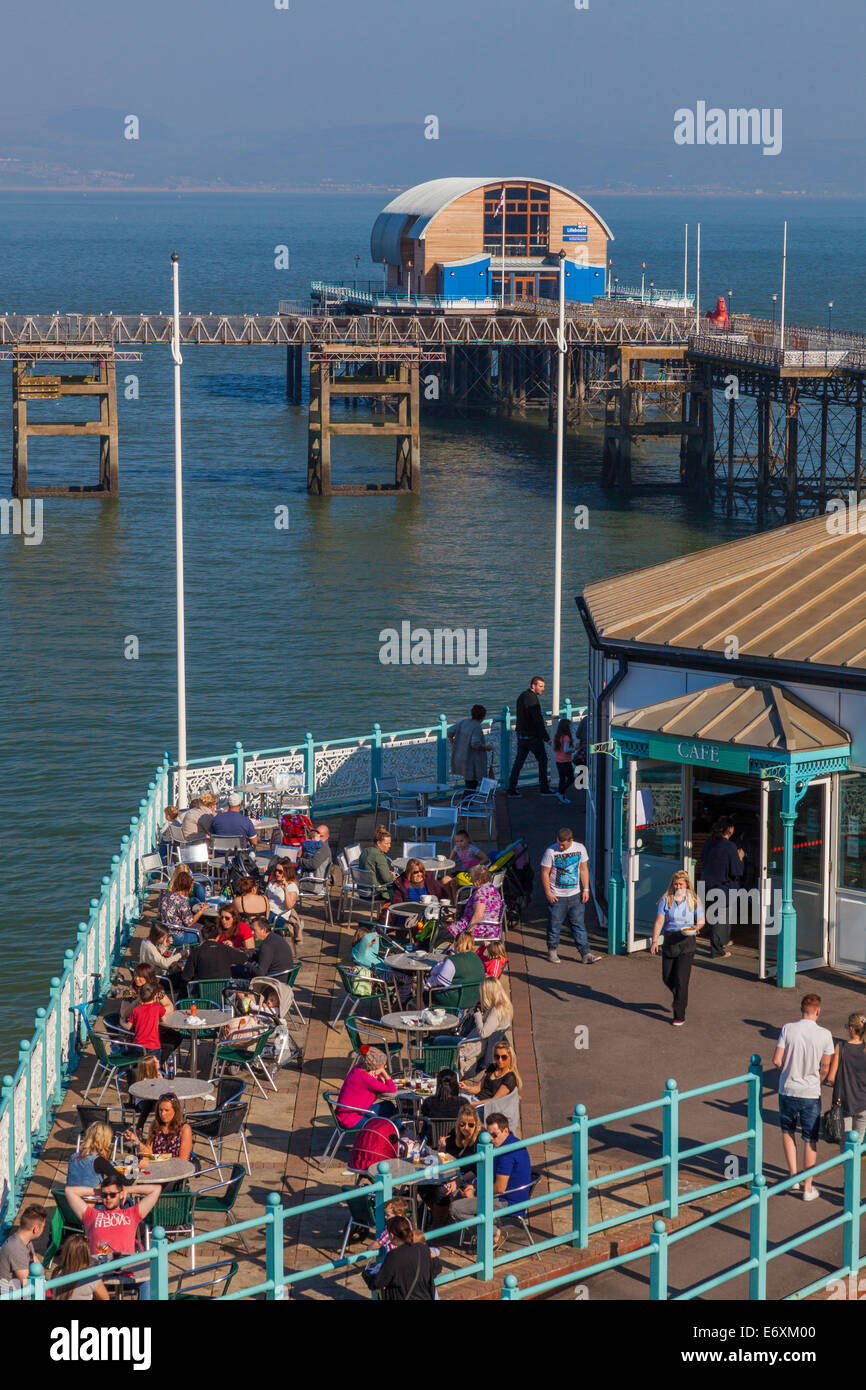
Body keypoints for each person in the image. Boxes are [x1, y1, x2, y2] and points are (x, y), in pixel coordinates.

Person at [773, 994, 835, 1200]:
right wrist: (817, 1080)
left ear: (802, 1010)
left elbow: (776, 1060)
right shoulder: (825, 1035)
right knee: (810, 1138)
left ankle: (793, 1177)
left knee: (787, 1131)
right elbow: (825, 1067)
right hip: (810, 1092)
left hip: (788, 1089)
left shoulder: (788, 1029)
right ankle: (808, 1187)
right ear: (818, 1011)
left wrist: (788, 1071)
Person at [66, 1176, 161, 1300]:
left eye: (112, 1195)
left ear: (121, 1195)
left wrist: (128, 1189)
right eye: (105, 1195)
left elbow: (156, 1189)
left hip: (127, 1270)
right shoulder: (92, 1216)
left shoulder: (131, 1214)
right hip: (100, 1271)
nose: (108, 1199)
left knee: (150, 1281)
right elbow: (69, 1191)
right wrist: (98, 1191)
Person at [450, 1113, 532, 1249]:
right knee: (457, 1196)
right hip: (511, 1196)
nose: (491, 1139)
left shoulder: (506, 1153)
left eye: (494, 1135)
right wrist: (474, 1185)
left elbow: (500, 1188)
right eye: (489, 1135)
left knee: (455, 1208)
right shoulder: (513, 1142)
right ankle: (489, 1230)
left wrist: (476, 1193)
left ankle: (494, 1233)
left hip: (507, 1200)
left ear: (505, 1131)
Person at [650, 870, 705, 1026]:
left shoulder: (693, 900)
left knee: (682, 980)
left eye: (681, 884)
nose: (678, 886)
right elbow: (659, 922)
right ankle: (679, 997)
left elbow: (701, 920)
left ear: (687, 885)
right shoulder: (666, 901)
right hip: (670, 940)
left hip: (687, 941)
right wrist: (655, 941)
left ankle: (679, 1015)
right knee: (667, 977)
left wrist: (696, 927)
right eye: (676, 884)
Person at [541, 827, 599, 965]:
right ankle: (552, 951)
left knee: (578, 925)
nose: (560, 847)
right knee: (554, 925)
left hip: (575, 895)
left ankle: (585, 953)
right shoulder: (550, 851)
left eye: (563, 845)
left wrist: (586, 889)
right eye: (559, 843)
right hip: (557, 896)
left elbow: (584, 869)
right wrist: (548, 892)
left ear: (570, 840)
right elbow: (544, 872)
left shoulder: (580, 848)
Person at [420, 1105, 481, 1227]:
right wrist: (441, 1148)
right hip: (451, 1173)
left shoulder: (480, 1139)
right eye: (462, 1124)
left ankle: (439, 1225)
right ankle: (440, 1217)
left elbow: (477, 1168)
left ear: (476, 1124)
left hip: (470, 1179)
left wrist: (458, 1181)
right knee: (423, 1185)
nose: (466, 1128)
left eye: (470, 1124)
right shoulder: (455, 1134)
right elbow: (444, 1157)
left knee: (441, 1191)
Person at [700, 816, 745, 960]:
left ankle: (723, 941)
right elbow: (736, 871)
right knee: (722, 918)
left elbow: (703, 859)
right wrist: (740, 858)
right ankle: (717, 949)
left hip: (708, 884)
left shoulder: (708, 843)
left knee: (718, 916)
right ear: (730, 829)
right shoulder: (730, 846)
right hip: (723, 887)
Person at [366, 1217, 442, 1300]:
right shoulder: (423, 1248)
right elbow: (437, 1268)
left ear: (391, 1235)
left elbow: (377, 1283)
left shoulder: (393, 1256)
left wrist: (367, 1276)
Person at [506, 676, 555, 798]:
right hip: (532, 736)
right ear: (533, 685)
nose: (542, 689)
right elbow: (537, 720)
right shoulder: (533, 699)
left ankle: (511, 789)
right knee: (543, 760)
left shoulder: (522, 696)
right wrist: (546, 737)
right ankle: (543, 788)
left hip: (521, 735)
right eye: (540, 686)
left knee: (519, 762)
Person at [458, 978, 513, 1077]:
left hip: (468, 1047)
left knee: (439, 1041)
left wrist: (478, 1014)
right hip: (471, 1044)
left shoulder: (496, 1010)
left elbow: (483, 1033)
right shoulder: (505, 1005)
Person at [335, 1047, 398, 1128]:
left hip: (347, 1114)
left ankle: (400, 1131)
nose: (385, 1067)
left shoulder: (358, 1067)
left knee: (388, 1105)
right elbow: (392, 1089)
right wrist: (383, 1071)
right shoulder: (366, 1078)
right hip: (352, 1120)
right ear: (375, 1067)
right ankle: (400, 1133)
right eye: (383, 1066)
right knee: (388, 1119)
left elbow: (378, 1079)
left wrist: (379, 1074)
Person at [828, 1013, 866, 1143]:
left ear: (851, 1029)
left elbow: (831, 1078)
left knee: (845, 1144)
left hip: (844, 1103)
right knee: (858, 1143)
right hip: (863, 1104)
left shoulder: (841, 1047)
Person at [126, 1092, 194, 1161]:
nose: (163, 1114)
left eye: (167, 1110)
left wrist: (155, 1158)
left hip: (179, 1168)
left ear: (175, 1111)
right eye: (160, 1110)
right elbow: (149, 1153)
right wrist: (136, 1140)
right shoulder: (155, 1125)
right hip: (159, 1165)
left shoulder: (184, 1129)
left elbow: (183, 1159)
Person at [427, 930, 485, 1009]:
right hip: (475, 998)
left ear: (457, 943)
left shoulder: (452, 960)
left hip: (456, 1000)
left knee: (426, 993)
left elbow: (440, 982)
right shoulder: (477, 958)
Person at [181, 919, 247, 984]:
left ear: (202, 936)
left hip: (203, 993)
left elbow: (186, 976)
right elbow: (244, 958)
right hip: (224, 992)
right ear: (218, 937)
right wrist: (234, 948)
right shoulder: (226, 949)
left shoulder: (196, 951)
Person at [448, 864, 503, 941]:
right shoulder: (491, 888)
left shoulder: (480, 893)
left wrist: (466, 934)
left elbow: (478, 916)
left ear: (479, 880)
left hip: (481, 928)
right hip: (491, 927)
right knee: (446, 932)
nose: (471, 880)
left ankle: (450, 950)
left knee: (445, 934)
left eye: (472, 877)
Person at [48, 1233, 110, 1301]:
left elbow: (52, 1291)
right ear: (86, 1254)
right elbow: (105, 1298)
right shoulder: (91, 1276)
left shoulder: (57, 1272)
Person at [448, 705, 493, 792]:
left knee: (468, 784)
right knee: (471, 787)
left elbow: (449, 731)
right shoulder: (477, 727)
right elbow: (475, 743)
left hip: (462, 759)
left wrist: (454, 744)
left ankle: (466, 804)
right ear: (483, 716)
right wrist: (486, 747)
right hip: (472, 762)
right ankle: (466, 804)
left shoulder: (464, 722)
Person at [0, 1204, 46, 1285]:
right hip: (11, 1293)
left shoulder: (26, 1241)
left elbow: (41, 1272)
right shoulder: (16, 1249)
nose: (43, 1230)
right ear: (36, 1229)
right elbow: (28, 1284)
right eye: (43, 1227)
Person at [122, 982, 165, 1058]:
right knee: (154, 1067)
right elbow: (163, 1020)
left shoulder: (136, 1010)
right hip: (154, 1046)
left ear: (140, 997)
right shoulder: (158, 1007)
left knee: (139, 1065)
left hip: (138, 1046)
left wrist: (121, 1021)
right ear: (155, 997)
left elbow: (128, 1027)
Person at [159, 866, 206, 934]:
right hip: (177, 935)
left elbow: (159, 915)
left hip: (165, 931)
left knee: (196, 895)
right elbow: (189, 924)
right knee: (204, 931)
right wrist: (201, 911)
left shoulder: (165, 895)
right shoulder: (182, 900)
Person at [67, 1122, 115, 1187]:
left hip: (71, 1196)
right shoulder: (99, 1161)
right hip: (91, 1196)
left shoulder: (73, 1157)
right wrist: (134, 1168)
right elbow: (126, 1181)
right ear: (105, 1141)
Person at [266, 860, 303, 944]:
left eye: (280, 871)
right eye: (276, 870)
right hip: (267, 910)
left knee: (259, 924)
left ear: (286, 872)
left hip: (278, 915)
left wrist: (285, 889)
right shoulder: (272, 882)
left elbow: (289, 906)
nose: (277, 873)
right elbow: (265, 898)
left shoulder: (291, 886)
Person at [359, 826, 397, 902]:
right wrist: (392, 876)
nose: (389, 846)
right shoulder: (379, 856)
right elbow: (386, 879)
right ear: (379, 843)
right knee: (402, 889)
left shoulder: (366, 851)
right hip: (376, 892)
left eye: (390, 843)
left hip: (362, 890)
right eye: (386, 843)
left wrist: (387, 874)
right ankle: (391, 911)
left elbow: (371, 869)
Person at [552, 718, 576, 803]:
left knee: (562, 779)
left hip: (558, 761)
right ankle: (560, 792)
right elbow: (566, 750)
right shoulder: (566, 737)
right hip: (566, 761)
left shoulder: (557, 736)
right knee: (571, 779)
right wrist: (574, 749)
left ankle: (561, 794)